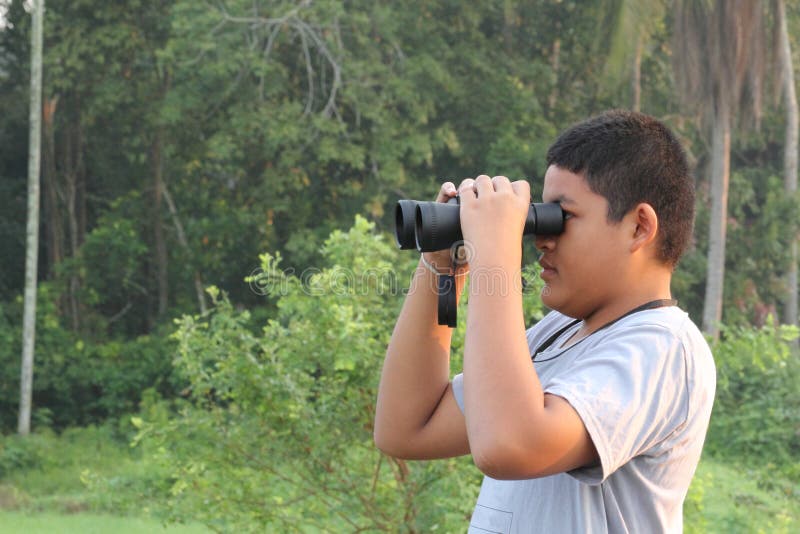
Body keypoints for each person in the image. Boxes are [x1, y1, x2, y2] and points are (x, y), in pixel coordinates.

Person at [373, 110, 716, 533]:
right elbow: (406, 428)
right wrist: (443, 267)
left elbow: (510, 446)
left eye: (562, 216)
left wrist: (495, 253)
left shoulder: (662, 348)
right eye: (539, 216)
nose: (540, 238)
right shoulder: (558, 332)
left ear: (639, 227)